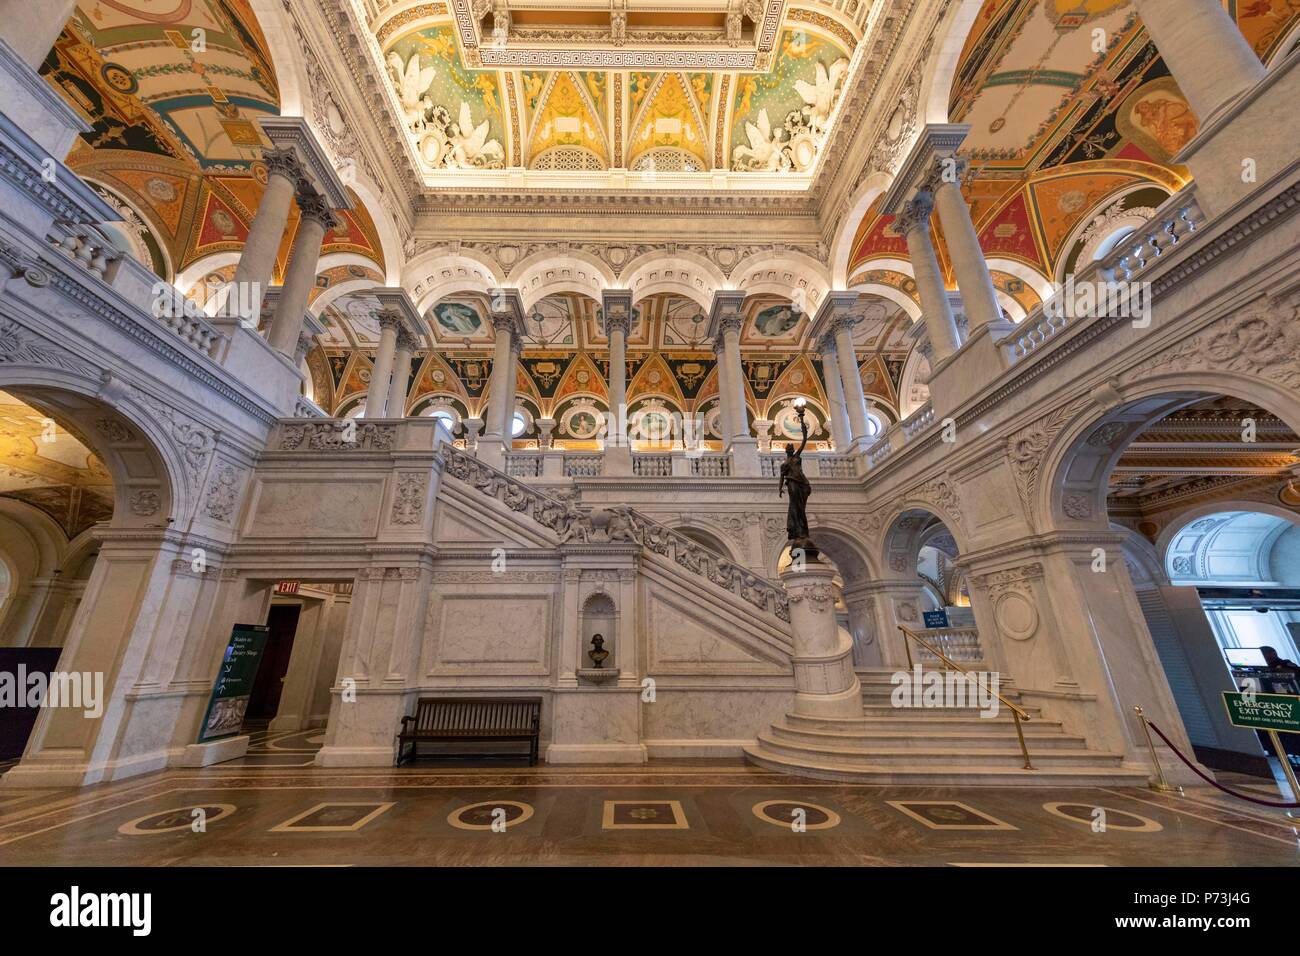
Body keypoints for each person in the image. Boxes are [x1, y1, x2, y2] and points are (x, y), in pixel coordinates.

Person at [778, 408, 811, 543]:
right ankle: (797, 529)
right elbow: (781, 476)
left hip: (803, 483)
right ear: (786, 451)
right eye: (789, 449)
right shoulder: (785, 464)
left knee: (801, 507)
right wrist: (780, 488)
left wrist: (802, 420)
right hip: (792, 483)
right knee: (795, 506)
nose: (791, 450)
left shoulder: (797, 456)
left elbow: (803, 441)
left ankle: (802, 529)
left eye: (792, 448)